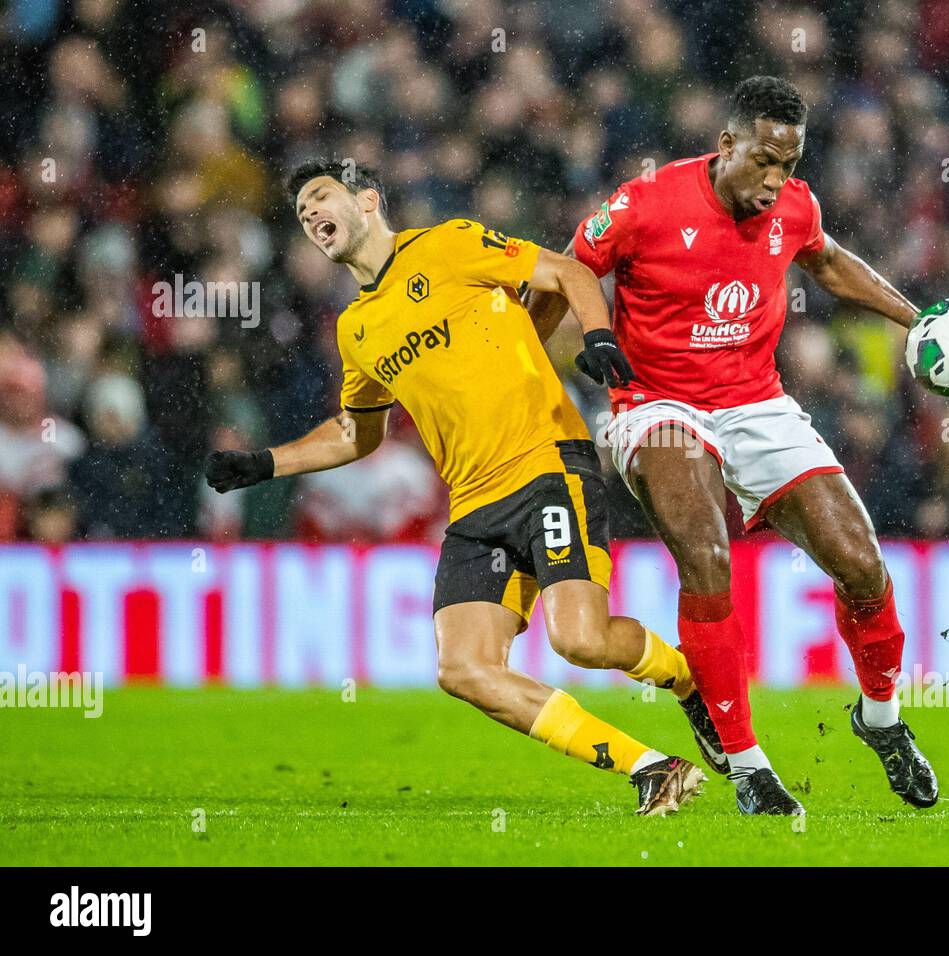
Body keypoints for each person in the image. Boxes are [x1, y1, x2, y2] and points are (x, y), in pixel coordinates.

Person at [205, 160, 724, 816]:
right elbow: (357, 433)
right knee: (463, 670)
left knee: (579, 640)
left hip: (545, 463)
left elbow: (567, 271)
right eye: (301, 213)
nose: (310, 216)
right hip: (474, 502)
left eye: (319, 198)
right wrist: (265, 463)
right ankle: (651, 768)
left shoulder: (447, 244)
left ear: (367, 200)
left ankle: (685, 679)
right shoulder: (357, 329)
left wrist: (596, 338)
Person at [529, 77, 949, 814]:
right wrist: (538, 367)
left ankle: (882, 720)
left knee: (861, 562)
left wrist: (916, 319)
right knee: (707, 555)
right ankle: (749, 762)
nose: (774, 181)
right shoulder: (643, 204)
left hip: (757, 402)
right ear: (725, 145)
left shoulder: (794, 207)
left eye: (787, 166)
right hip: (656, 403)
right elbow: (562, 272)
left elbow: (826, 262)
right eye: (762, 160)